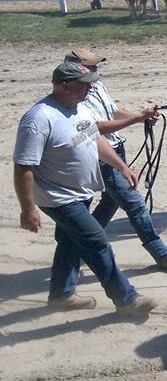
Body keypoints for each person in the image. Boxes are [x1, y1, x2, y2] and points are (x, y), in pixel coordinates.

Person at [14, 62, 157, 315]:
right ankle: (126, 300)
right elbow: (24, 166)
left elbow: (94, 138)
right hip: (57, 197)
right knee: (97, 242)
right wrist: (28, 208)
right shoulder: (39, 119)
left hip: (81, 192)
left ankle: (61, 295)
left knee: (70, 241)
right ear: (65, 85)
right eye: (85, 84)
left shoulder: (79, 109)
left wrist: (122, 166)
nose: (91, 88)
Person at [65, 49, 167, 273]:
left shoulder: (97, 86)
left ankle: (84, 244)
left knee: (110, 202)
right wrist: (138, 117)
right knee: (135, 204)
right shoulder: (75, 98)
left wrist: (139, 115)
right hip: (101, 155)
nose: (96, 71)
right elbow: (95, 129)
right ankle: (162, 254)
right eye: (91, 67)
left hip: (115, 148)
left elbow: (112, 112)